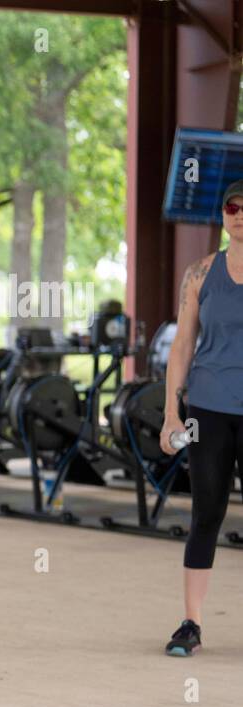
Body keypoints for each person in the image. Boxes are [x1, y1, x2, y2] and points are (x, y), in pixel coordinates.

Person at [159, 178, 243, 657]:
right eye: (231, 206)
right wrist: (172, 412)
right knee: (206, 513)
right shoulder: (200, 273)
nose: (238, 213)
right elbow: (183, 344)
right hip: (208, 410)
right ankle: (190, 623)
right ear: (222, 214)